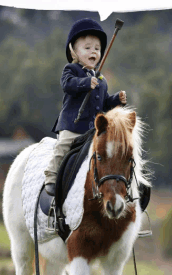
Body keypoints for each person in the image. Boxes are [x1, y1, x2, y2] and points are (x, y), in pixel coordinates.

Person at [44, 18, 127, 196]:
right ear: (74, 51)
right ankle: (51, 176)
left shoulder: (101, 78)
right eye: (87, 48)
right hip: (72, 125)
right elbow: (68, 85)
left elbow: (104, 103)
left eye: (97, 49)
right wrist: (85, 82)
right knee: (62, 147)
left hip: (93, 131)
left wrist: (116, 99)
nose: (93, 52)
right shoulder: (71, 70)